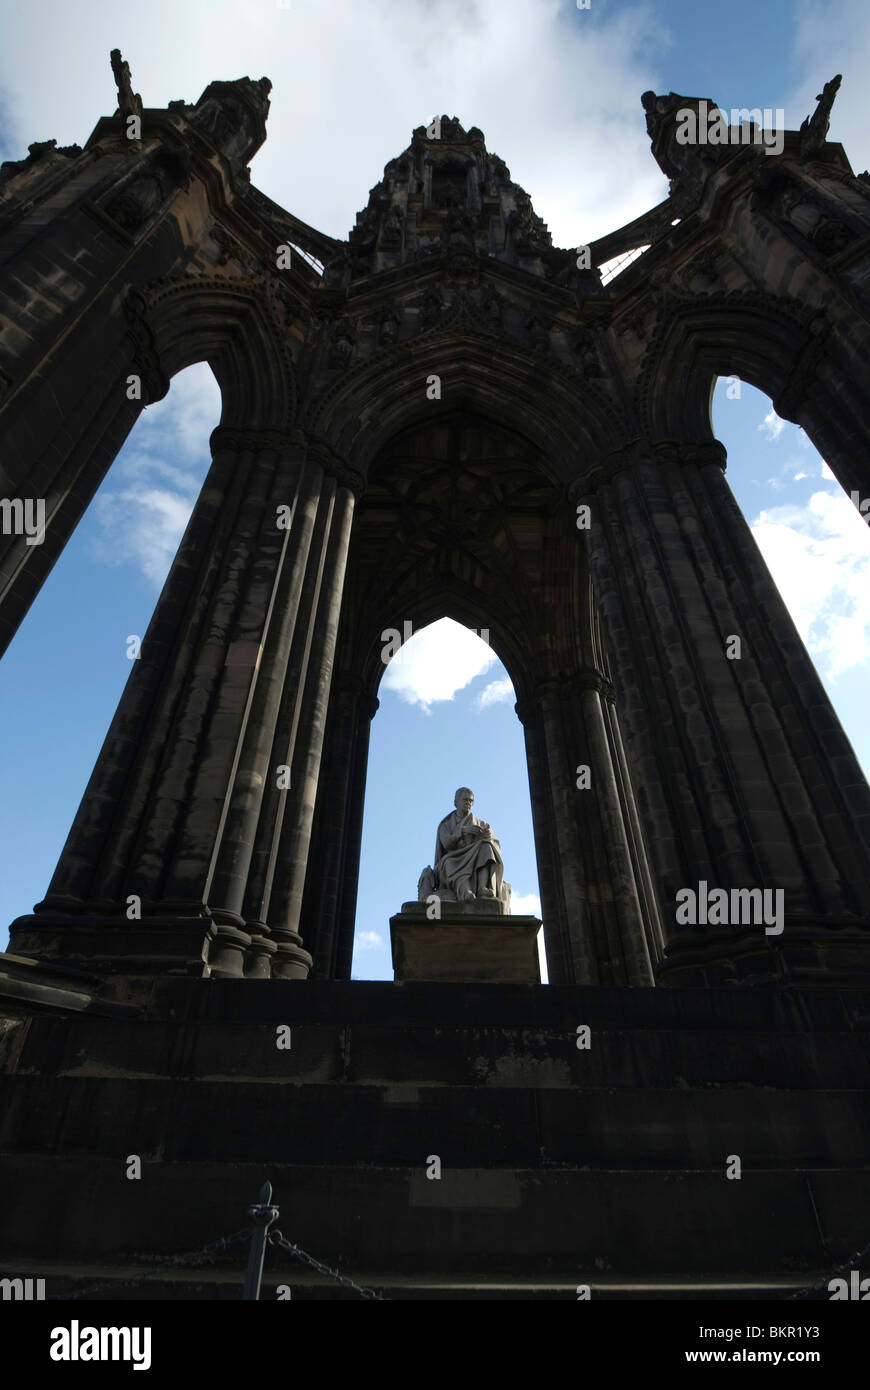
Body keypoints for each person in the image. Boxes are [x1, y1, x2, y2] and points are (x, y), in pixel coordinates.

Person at [434, 788, 504, 902]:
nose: (468, 803)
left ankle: (482, 888)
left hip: (475, 856)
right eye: (465, 800)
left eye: (471, 801)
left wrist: (489, 835)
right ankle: (465, 891)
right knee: (449, 864)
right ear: (456, 802)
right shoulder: (445, 824)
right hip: (453, 858)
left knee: (486, 846)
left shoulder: (480, 823)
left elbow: (495, 844)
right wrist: (462, 832)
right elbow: (447, 844)